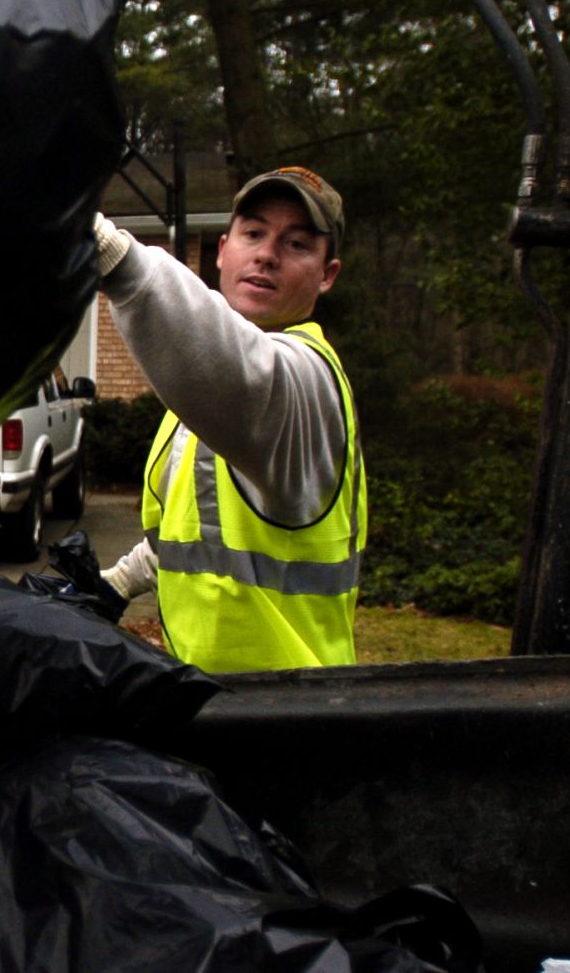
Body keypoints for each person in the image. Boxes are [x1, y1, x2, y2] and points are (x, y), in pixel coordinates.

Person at [91, 166, 366, 673]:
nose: (266, 254)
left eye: (297, 244)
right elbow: (200, 534)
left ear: (327, 275)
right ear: (223, 249)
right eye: (254, 233)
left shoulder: (304, 384)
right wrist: (120, 582)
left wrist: (107, 250)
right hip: (212, 704)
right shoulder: (205, 397)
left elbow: (237, 368)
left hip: (290, 716)